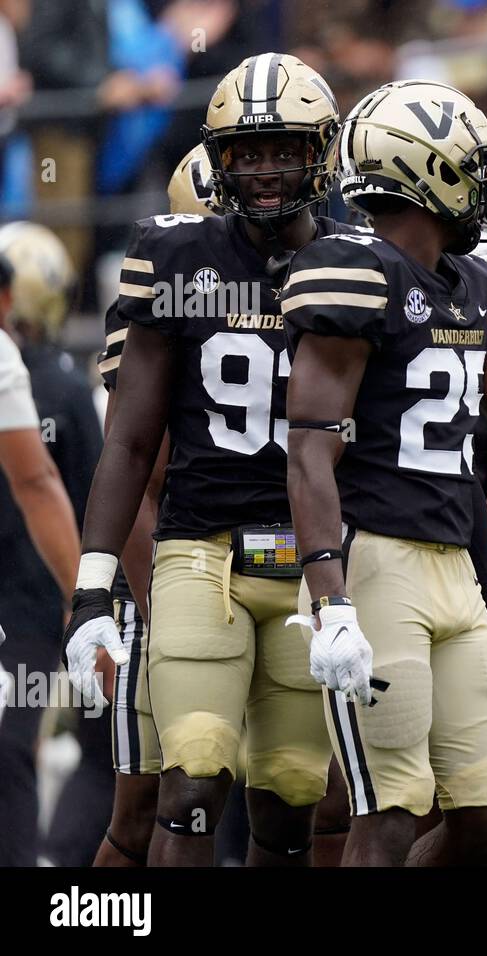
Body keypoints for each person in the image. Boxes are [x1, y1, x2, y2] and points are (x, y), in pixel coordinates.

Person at [62, 53, 348, 867]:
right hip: (200, 552)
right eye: (243, 152)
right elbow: (130, 439)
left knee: (293, 796)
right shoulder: (174, 252)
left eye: (282, 148)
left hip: (312, 563)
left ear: (320, 151)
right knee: (187, 784)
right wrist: (93, 584)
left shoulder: (358, 259)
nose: (261, 170)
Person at [282, 79, 487, 867]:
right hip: (375, 561)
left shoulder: (477, 285)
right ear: (428, 174)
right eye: (473, 168)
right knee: (389, 807)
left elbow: (463, 461)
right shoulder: (354, 272)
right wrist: (331, 600)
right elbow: (310, 446)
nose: (485, 187)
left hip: (455, 561)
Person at [86, 144, 214, 868]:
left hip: (273, 574)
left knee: (309, 793)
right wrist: (160, 612)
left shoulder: (302, 292)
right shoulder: (157, 313)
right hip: (178, 576)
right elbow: (135, 471)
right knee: (150, 807)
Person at [0, 237, 81, 867]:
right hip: (30, 597)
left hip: (27, 599)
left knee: (10, 749)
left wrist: (82, 598)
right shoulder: (56, 382)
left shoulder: (59, 387)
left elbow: (62, 488)